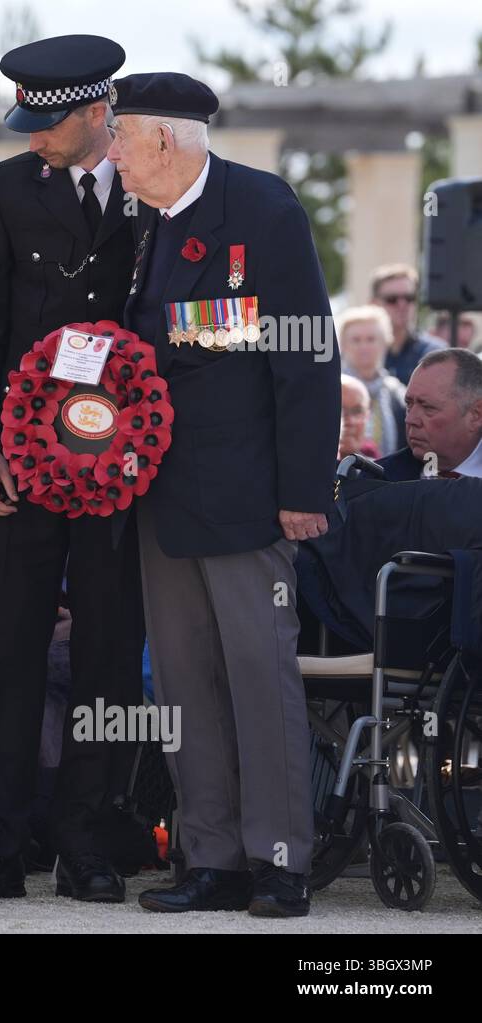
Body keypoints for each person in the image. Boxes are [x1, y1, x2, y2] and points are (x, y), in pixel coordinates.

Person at [109, 72, 339, 917]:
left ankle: (280, 860)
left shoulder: (263, 209)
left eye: (121, 139)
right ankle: (211, 858)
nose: (114, 158)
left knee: (257, 675)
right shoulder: (141, 221)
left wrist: (304, 487)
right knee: (182, 685)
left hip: (248, 493)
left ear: (165, 140)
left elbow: (306, 352)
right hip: (162, 492)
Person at [0, 35, 142, 903]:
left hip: (126, 469)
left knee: (108, 652)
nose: (33, 138)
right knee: (6, 648)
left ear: (97, 111)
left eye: (48, 124)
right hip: (24, 463)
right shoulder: (4, 186)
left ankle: (87, 842)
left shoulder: (149, 188)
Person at [378, 348, 482, 481]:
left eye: (428, 407)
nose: (410, 419)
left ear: (476, 414)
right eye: (409, 404)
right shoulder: (378, 480)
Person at [338, 305, 405, 456]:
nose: (364, 347)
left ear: (385, 342)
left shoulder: (397, 394)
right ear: (342, 345)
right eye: (356, 340)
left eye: (371, 339)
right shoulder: (331, 390)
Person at [371, 263, 445, 386]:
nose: (402, 305)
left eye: (409, 298)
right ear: (373, 304)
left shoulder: (435, 353)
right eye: (392, 299)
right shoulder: (356, 350)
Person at [338, 375, 377, 460]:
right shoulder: (305, 469)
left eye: (357, 411)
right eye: (339, 410)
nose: (350, 421)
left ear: (368, 416)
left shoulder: (377, 471)